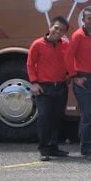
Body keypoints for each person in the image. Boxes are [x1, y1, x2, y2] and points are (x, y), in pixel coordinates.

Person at [27, 16, 70, 161]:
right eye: (56, 28)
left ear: (65, 33)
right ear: (50, 27)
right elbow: (30, 64)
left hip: (61, 87)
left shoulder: (65, 45)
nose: (58, 31)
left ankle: (54, 147)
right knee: (44, 117)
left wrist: (70, 74)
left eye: (62, 30)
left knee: (57, 118)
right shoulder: (37, 44)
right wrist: (34, 83)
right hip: (44, 88)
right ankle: (44, 149)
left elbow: (70, 62)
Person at [64, 7, 91, 161]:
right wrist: (75, 76)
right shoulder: (78, 35)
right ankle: (86, 148)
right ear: (83, 20)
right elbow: (68, 57)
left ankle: (88, 144)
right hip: (83, 79)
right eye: (89, 18)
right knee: (86, 115)